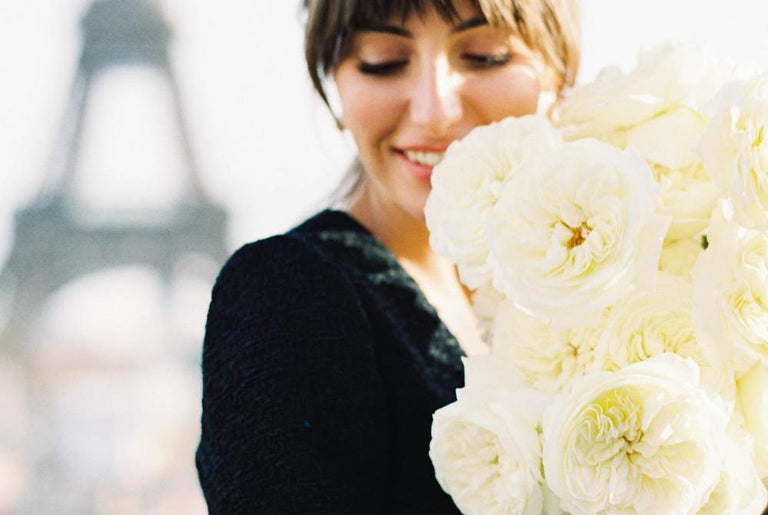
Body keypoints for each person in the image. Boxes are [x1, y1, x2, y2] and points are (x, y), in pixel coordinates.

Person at [196, 0, 580, 512]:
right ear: (335, 84)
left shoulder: (590, 296)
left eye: (485, 56)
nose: (434, 111)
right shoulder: (287, 298)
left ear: (561, 71)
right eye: (382, 61)